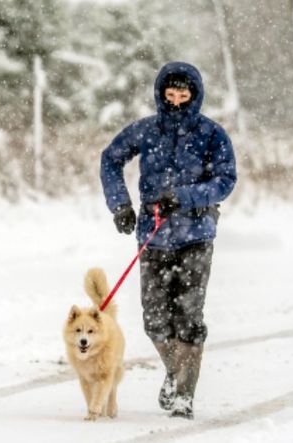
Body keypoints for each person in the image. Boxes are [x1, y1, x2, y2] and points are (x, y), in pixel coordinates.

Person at [100, 61, 237, 419]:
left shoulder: (212, 134)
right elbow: (110, 159)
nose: (176, 100)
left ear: (195, 95)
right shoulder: (146, 130)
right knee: (155, 320)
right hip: (154, 235)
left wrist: (187, 196)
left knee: (188, 317)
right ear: (161, 93)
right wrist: (120, 206)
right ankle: (176, 374)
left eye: (183, 94)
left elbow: (226, 180)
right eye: (170, 94)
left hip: (196, 234)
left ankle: (184, 396)